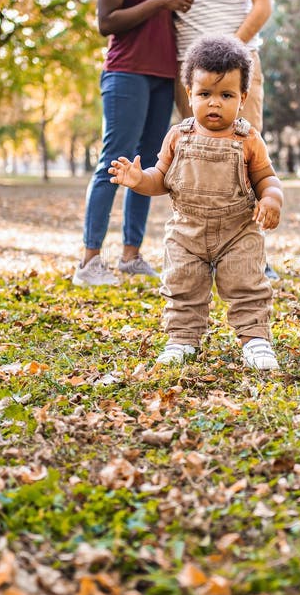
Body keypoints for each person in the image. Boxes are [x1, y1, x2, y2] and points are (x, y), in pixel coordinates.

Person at [109, 35, 283, 370]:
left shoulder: (248, 139)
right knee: (182, 286)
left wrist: (272, 199)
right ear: (189, 94)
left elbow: (266, 178)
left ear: (243, 98)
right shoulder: (178, 136)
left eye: (226, 95)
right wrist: (138, 179)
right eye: (205, 94)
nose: (214, 103)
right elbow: (160, 177)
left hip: (238, 232)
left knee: (246, 283)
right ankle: (182, 340)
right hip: (186, 232)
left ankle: (256, 340)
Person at [150, 0, 280, 279]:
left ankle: (253, 257)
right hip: (187, 79)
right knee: (195, 163)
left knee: (244, 160)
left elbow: (262, 6)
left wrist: (230, 58)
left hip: (239, 70)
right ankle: (196, 252)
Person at [72, 0, 194, 287]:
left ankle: (130, 256)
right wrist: (163, 1)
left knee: (144, 167)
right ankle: (89, 261)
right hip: (127, 73)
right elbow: (106, 22)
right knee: (115, 160)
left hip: (160, 75)